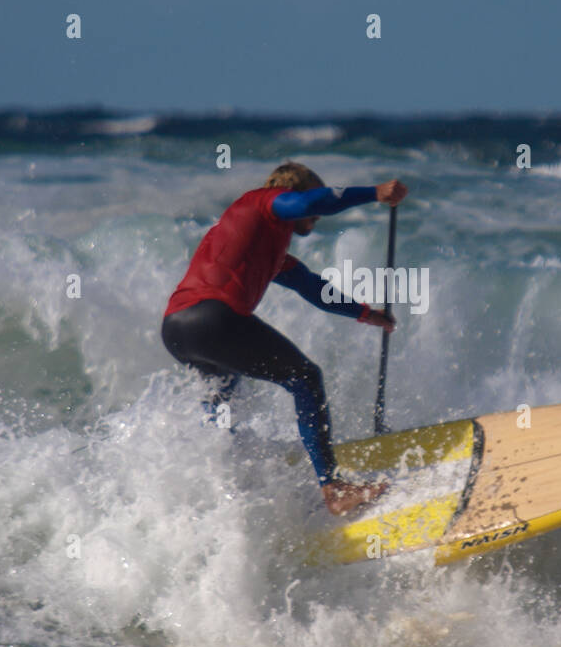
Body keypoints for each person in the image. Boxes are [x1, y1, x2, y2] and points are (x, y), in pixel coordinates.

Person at [162, 162, 408, 516]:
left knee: (223, 396)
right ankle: (333, 488)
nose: (317, 216)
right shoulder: (264, 202)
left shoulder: (260, 241)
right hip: (213, 317)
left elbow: (312, 288)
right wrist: (374, 193)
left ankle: (221, 493)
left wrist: (368, 315)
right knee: (305, 378)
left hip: (176, 329)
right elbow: (307, 205)